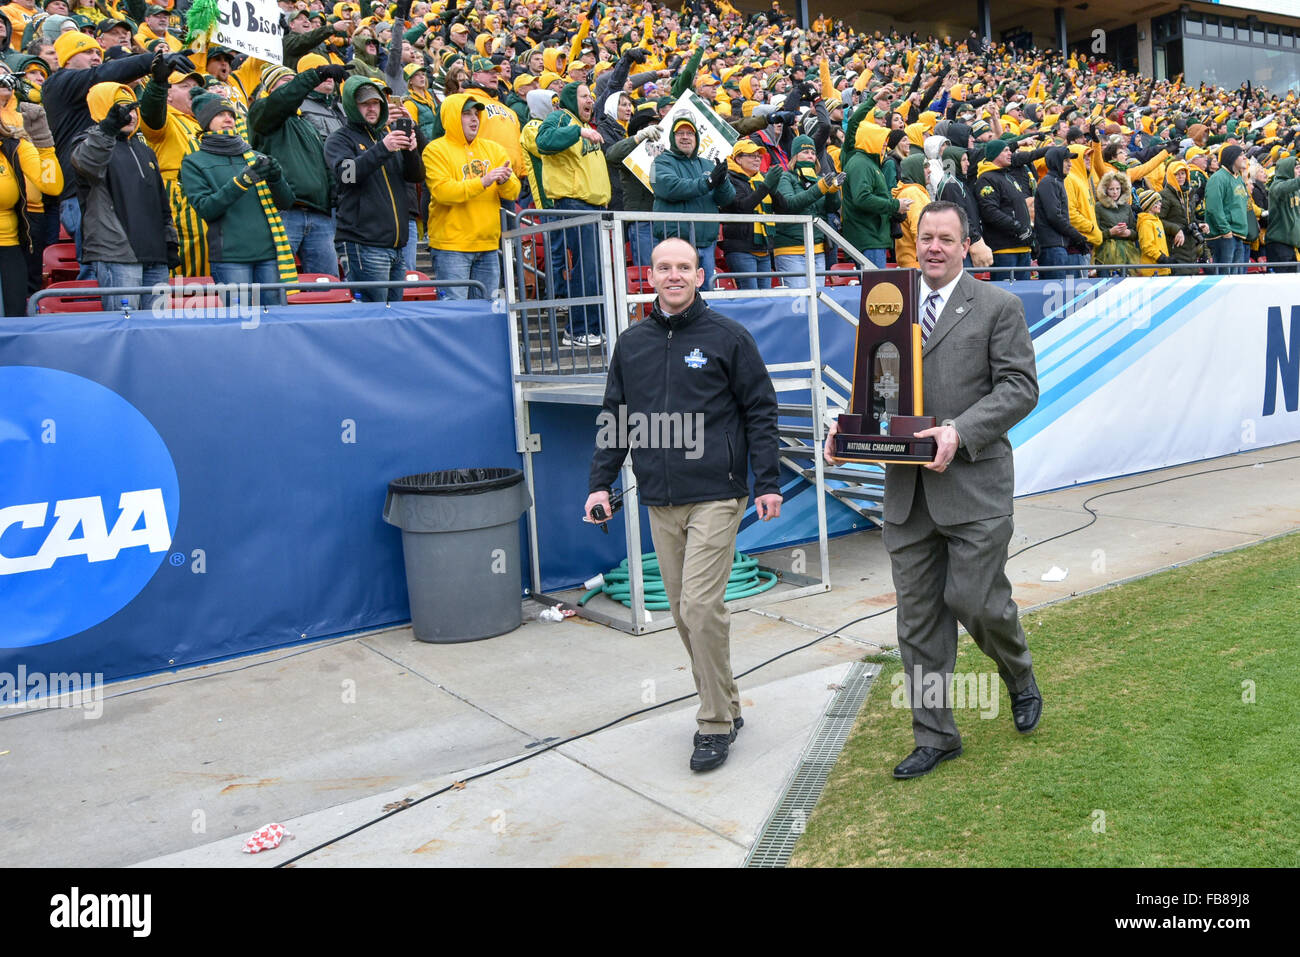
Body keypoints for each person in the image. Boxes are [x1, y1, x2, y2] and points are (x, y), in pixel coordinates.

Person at [823, 201, 1040, 779]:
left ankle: (1017, 671)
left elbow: (1020, 388)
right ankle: (936, 736)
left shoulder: (999, 305)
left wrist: (959, 430)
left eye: (947, 238)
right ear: (913, 243)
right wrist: (845, 431)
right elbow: (876, 391)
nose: (935, 247)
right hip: (907, 497)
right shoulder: (888, 305)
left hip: (975, 486)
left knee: (975, 602)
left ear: (967, 245)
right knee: (917, 623)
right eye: (926, 237)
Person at [586, 236, 783, 773]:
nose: (674, 275)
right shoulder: (632, 344)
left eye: (684, 267)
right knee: (681, 613)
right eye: (663, 267)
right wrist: (600, 484)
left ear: (701, 275)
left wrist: (767, 482)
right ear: (649, 276)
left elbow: (761, 412)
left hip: (717, 494)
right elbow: (616, 416)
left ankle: (714, 723)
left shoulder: (728, 337)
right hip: (659, 497)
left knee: (699, 607)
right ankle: (727, 703)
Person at [179, 91, 297, 302]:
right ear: (206, 121)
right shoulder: (194, 162)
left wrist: (276, 178)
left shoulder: (255, 156)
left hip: (269, 254)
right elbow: (206, 208)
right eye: (220, 114)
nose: (228, 119)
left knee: (276, 323)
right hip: (231, 258)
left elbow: (287, 202)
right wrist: (241, 182)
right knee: (241, 324)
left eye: (231, 114)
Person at [71, 82, 174, 311]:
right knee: (124, 329)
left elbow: (161, 203)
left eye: (133, 109)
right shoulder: (86, 143)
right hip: (117, 255)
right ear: (103, 110)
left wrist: (169, 242)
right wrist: (107, 128)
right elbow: (88, 163)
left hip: (155, 255)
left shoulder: (144, 149)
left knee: (156, 330)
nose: (130, 115)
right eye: (120, 109)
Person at [324, 76, 424, 302]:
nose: (372, 108)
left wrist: (410, 150)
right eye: (365, 103)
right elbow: (346, 175)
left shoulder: (385, 135)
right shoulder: (339, 139)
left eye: (376, 103)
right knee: (374, 313)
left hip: (397, 245)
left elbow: (416, 176)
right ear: (351, 105)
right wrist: (384, 148)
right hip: (365, 244)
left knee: (393, 314)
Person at [249, 61, 349, 276]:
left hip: (319, 215)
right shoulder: (262, 113)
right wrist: (317, 73)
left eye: (294, 82)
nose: (293, 87)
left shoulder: (305, 123)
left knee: (327, 287)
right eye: (286, 82)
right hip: (284, 213)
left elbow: (323, 168)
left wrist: (334, 199)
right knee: (277, 286)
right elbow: (283, 99)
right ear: (270, 89)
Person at [534, 80, 610, 347]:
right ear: (569, 98)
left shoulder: (588, 128)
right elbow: (543, 141)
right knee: (586, 270)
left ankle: (594, 326)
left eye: (591, 96)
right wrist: (577, 131)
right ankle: (577, 329)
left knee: (596, 271)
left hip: (595, 207)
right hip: (575, 205)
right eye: (583, 96)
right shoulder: (560, 118)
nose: (590, 100)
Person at [422, 92, 519, 300]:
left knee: (487, 314)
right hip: (451, 248)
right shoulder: (435, 150)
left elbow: (513, 191)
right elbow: (442, 192)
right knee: (455, 316)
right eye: (466, 113)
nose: (474, 118)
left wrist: (504, 181)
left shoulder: (493, 149)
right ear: (451, 116)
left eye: (476, 113)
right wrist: (483, 181)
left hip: (489, 247)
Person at [651, 113, 734, 291]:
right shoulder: (660, 162)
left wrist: (722, 182)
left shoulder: (707, 164)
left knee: (706, 298)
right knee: (683, 294)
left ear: (696, 138)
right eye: (680, 133)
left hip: (706, 243)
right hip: (677, 243)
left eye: (690, 133)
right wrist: (708, 182)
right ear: (673, 138)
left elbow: (726, 198)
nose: (685, 137)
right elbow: (670, 187)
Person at [1204, 144, 1250, 275]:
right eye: (1241, 155)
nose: (1244, 158)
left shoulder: (1239, 178)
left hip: (1238, 235)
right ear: (1232, 157)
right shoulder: (1218, 178)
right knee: (1224, 279)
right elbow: (1214, 207)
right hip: (1224, 236)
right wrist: (1226, 230)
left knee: (1235, 281)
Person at [1264, 156, 1300, 273]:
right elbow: (1286, 187)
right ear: (1287, 169)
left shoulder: (1296, 190)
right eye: (1297, 168)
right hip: (1278, 244)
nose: (1299, 171)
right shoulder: (1276, 186)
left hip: (1292, 244)